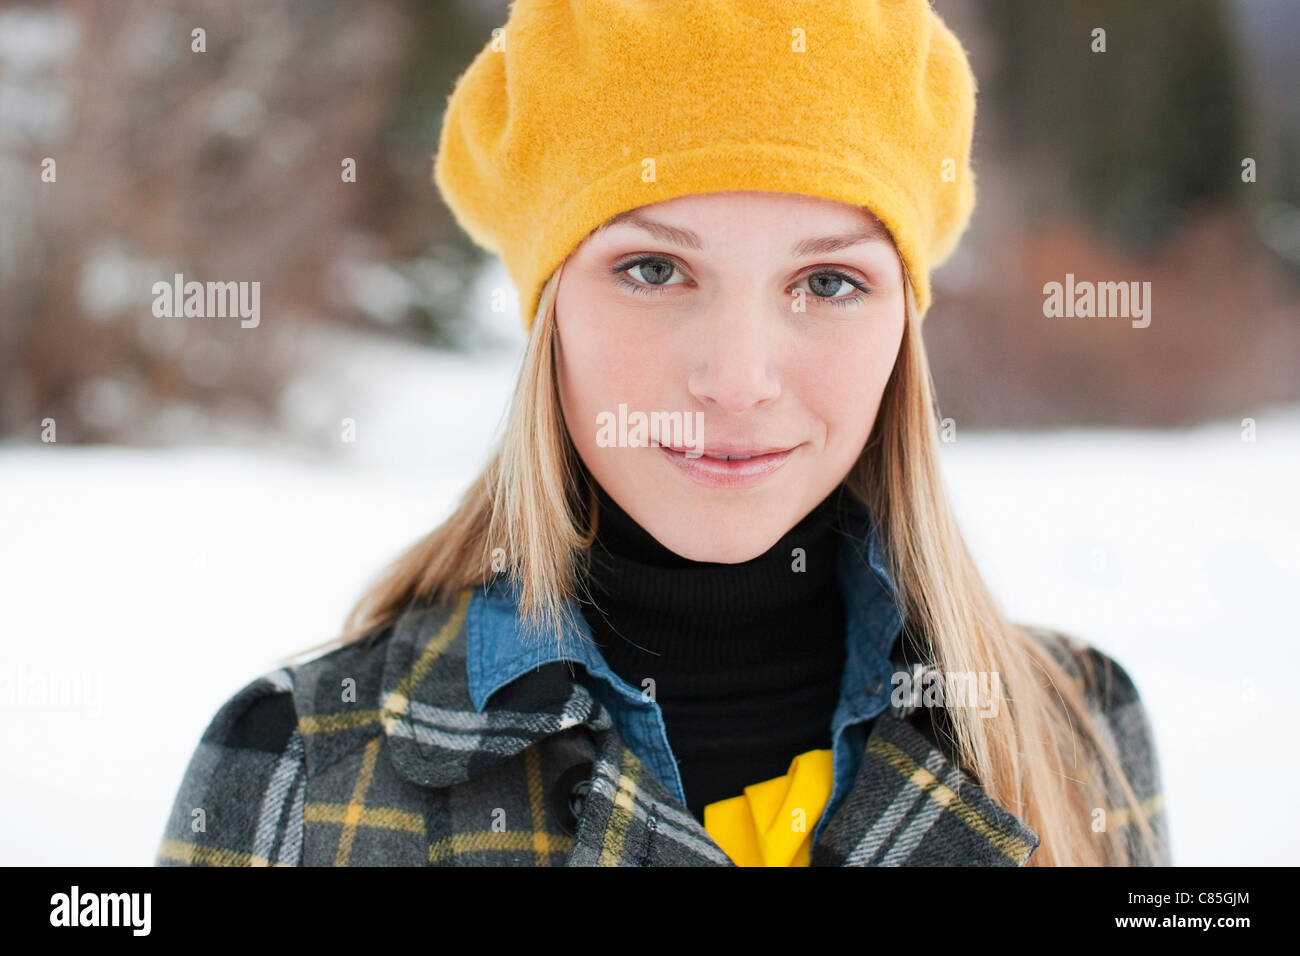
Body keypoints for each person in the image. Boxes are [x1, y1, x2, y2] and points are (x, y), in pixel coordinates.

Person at [155, 0, 1170, 867]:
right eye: (652, 268)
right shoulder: (301, 765)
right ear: (551, 306)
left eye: (827, 281)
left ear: (901, 326)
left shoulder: (1074, 728)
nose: (736, 380)